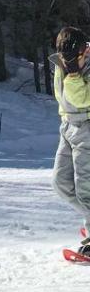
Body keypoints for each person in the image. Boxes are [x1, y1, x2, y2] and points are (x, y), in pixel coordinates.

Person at [52, 25, 90, 254]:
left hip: (87, 126)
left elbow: (82, 99)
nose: (69, 62)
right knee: (60, 183)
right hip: (67, 127)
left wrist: (74, 73)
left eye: (74, 57)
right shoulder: (63, 60)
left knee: (86, 189)